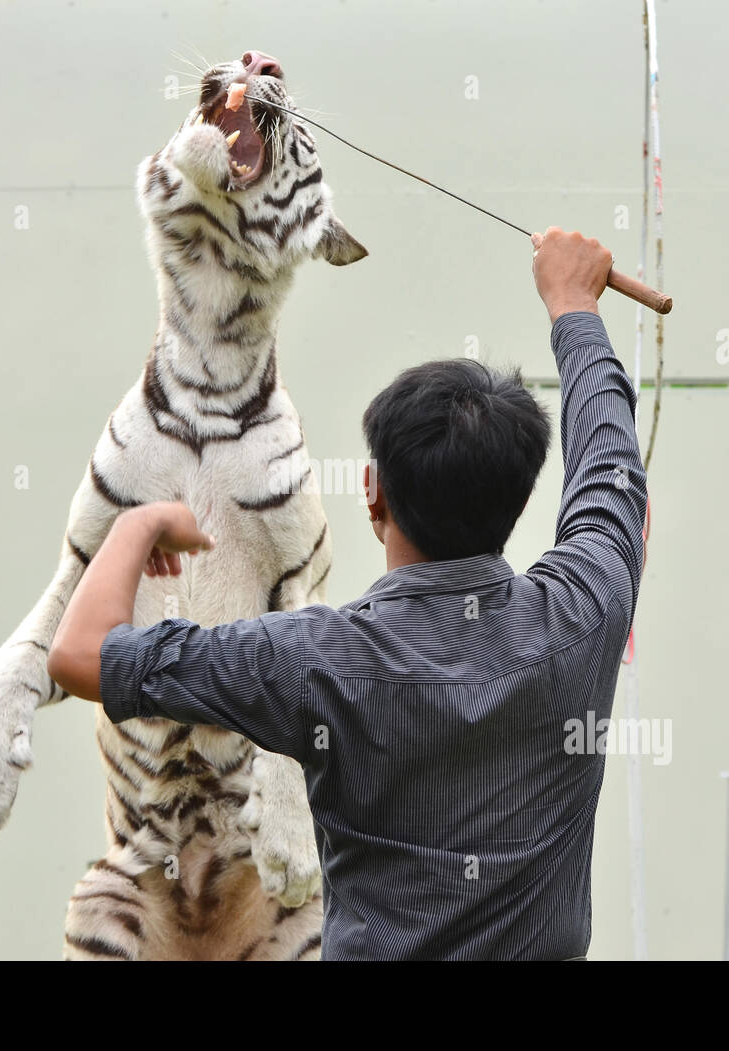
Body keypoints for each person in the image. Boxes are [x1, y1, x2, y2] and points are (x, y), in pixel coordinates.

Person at [48, 228, 648, 960]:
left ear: (373, 496)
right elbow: (611, 473)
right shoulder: (580, 615)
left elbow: (79, 655)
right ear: (521, 498)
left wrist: (135, 525)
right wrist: (573, 305)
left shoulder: (312, 657)